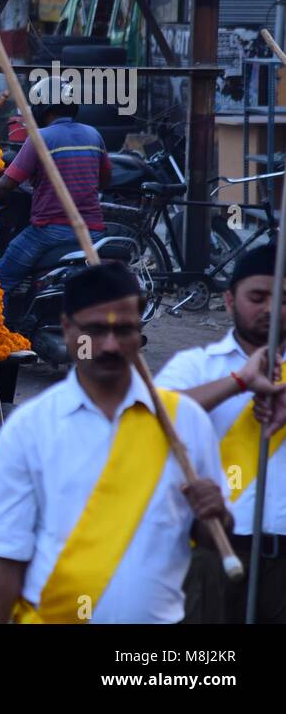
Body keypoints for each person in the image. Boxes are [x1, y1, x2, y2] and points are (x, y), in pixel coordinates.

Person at [0, 262, 229, 623]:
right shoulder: (29, 429)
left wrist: (216, 514)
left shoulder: (185, 421)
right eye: (95, 331)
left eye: (124, 330)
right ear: (67, 330)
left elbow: (211, 536)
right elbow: (5, 559)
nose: (110, 345)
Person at [157, 244, 286, 624]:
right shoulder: (196, 365)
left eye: (281, 300)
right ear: (229, 300)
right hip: (213, 550)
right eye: (257, 297)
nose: (269, 309)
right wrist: (238, 383)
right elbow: (152, 418)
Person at [0, 76, 109, 294]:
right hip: (93, 232)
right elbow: (103, 180)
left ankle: (1, 327)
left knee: (0, 282)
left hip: (50, 231)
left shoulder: (41, 138)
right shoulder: (94, 134)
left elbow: (7, 184)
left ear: (42, 108)